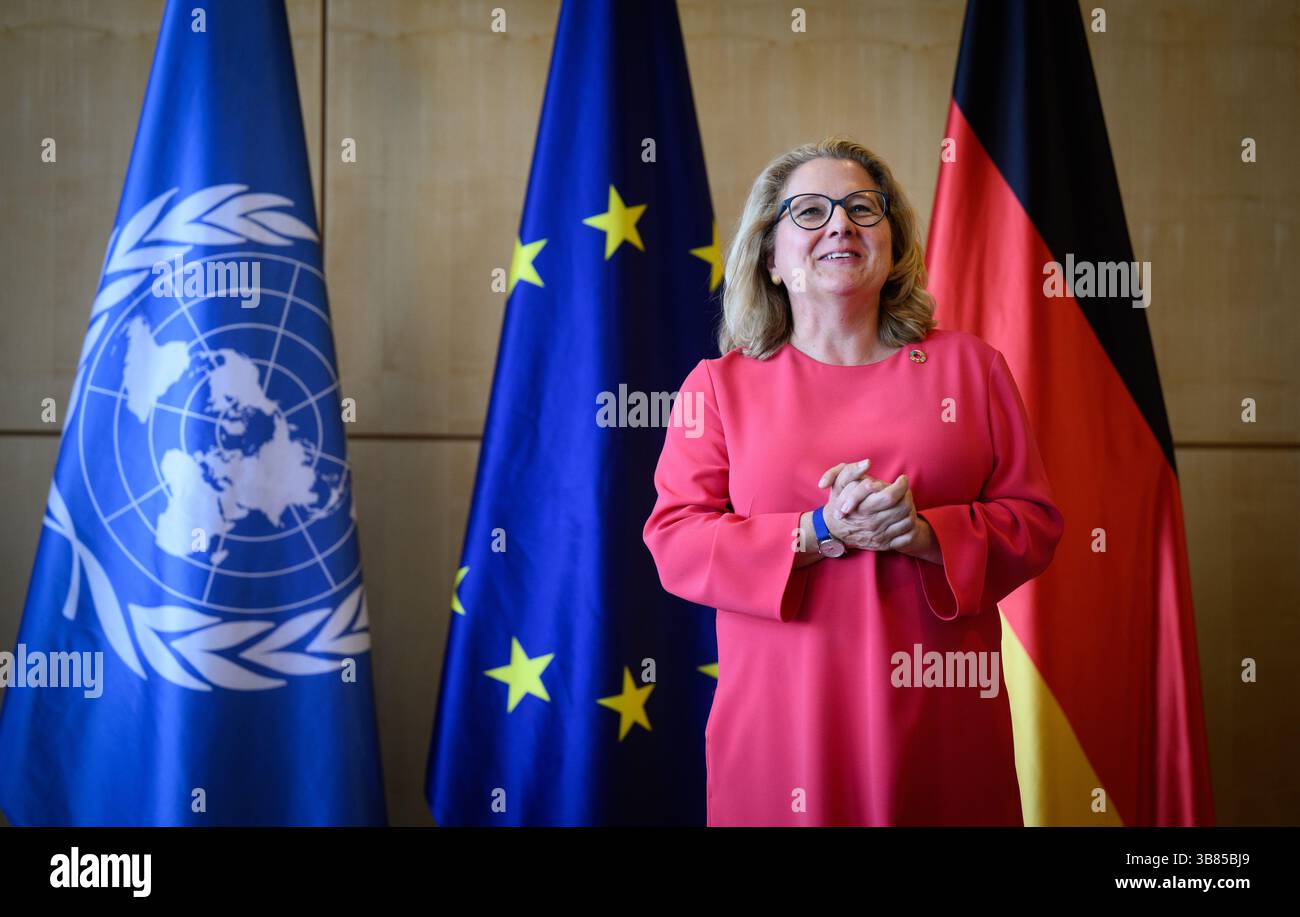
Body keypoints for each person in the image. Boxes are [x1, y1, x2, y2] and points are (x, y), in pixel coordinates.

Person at [642, 137, 1065, 826]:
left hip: (941, 720)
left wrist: (925, 533)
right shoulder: (718, 387)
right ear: (771, 257)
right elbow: (675, 539)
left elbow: (1036, 521)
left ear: (892, 246)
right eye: (810, 212)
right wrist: (817, 531)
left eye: (863, 208)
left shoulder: (972, 369)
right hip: (783, 726)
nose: (841, 224)